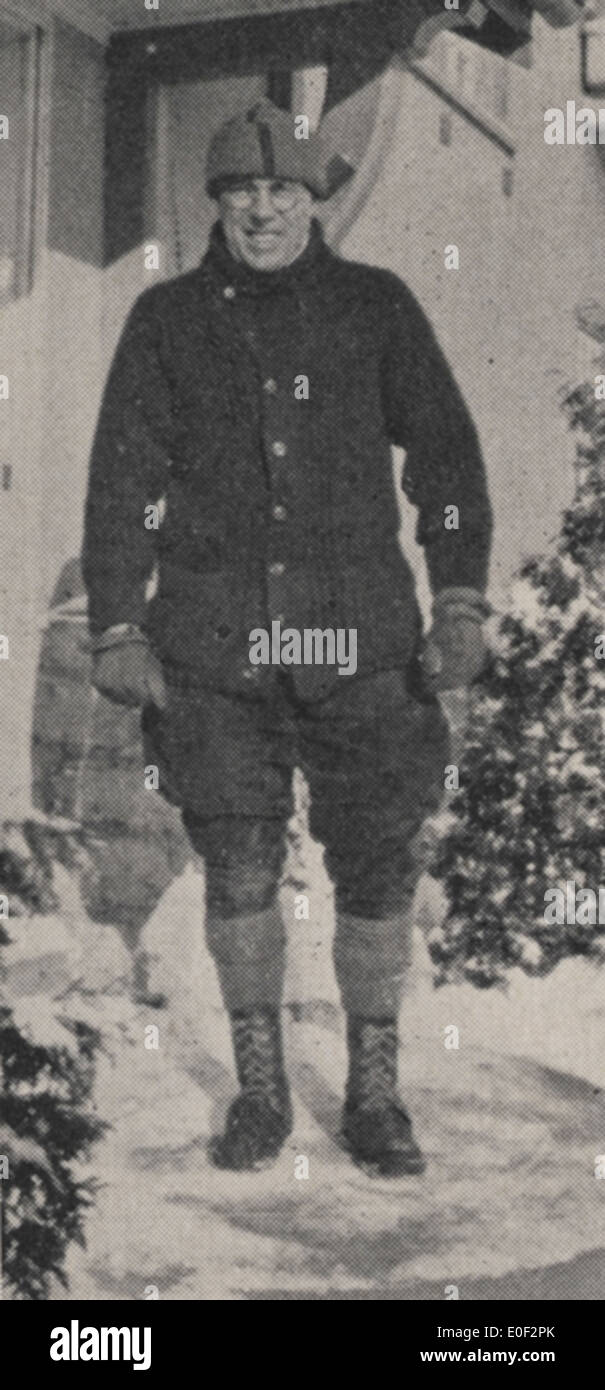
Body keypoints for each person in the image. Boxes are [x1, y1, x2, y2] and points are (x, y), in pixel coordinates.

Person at [82, 100, 492, 1176]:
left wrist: (457, 599)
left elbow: (444, 462)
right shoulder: (165, 322)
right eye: (239, 191)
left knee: (375, 868)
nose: (261, 210)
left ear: (315, 199)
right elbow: (123, 480)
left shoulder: (374, 308)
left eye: (282, 191)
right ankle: (260, 1091)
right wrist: (120, 619)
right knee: (240, 867)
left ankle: (373, 1093)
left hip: (359, 645)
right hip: (216, 652)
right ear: (212, 201)